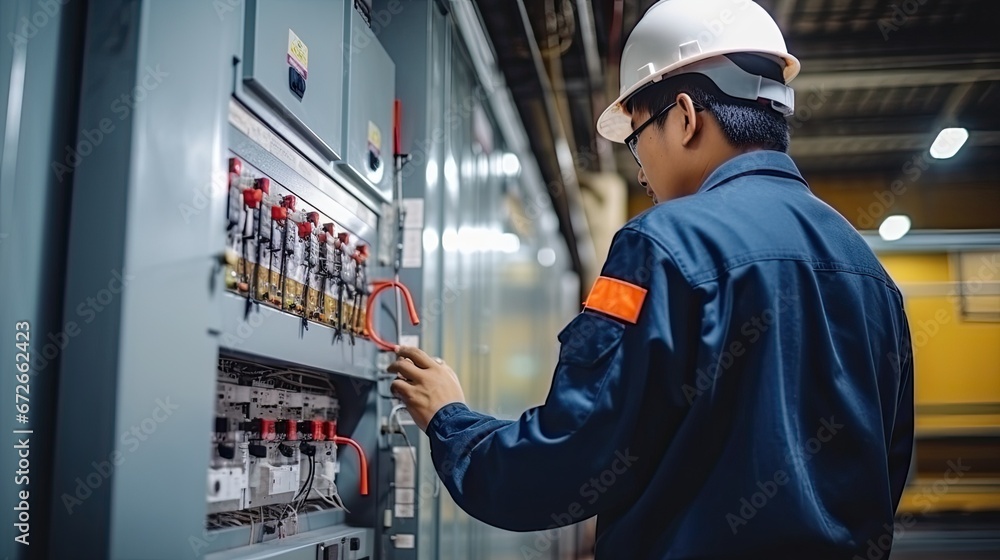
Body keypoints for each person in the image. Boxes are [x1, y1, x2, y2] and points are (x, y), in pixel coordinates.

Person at [388, 0, 914, 558]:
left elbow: (565, 461)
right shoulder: (869, 271)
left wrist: (451, 422)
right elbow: (887, 465)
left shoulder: (663, 243)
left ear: (685, 116)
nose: (639, 171)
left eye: (637, 138)